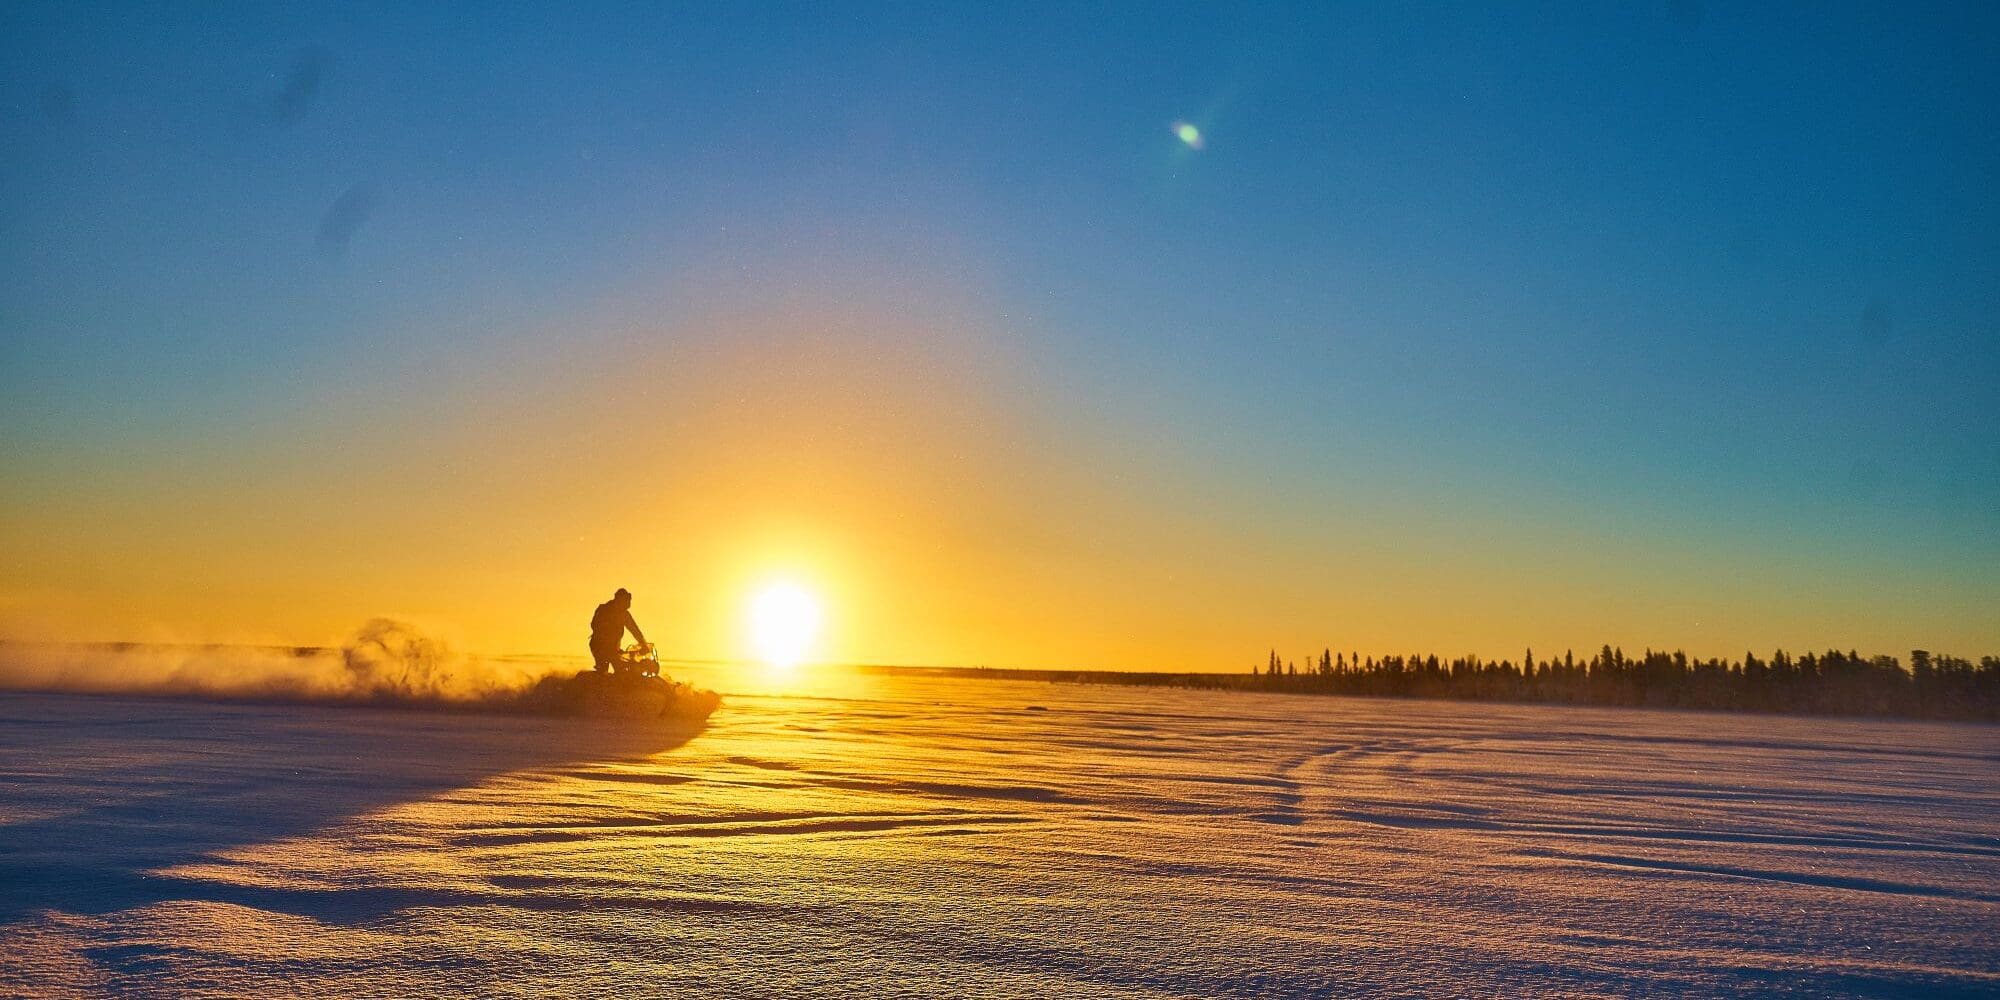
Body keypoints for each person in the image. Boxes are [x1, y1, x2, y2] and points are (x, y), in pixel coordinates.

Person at [589, 588, 647, 673]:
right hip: (599, 646)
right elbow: (595, 625)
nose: (628, 603)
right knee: (604, 669)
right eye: (626, 600)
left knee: (623, 668)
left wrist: (643, 643)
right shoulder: (605, 610)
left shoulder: (624, 614)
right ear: (619, 600)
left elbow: (634, 630)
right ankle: (599, 681)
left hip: (613, 648)